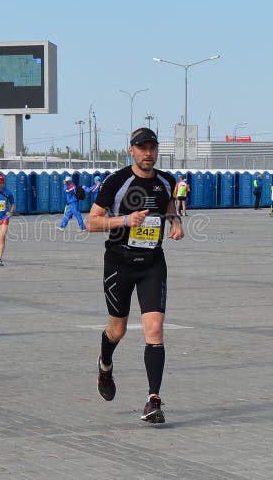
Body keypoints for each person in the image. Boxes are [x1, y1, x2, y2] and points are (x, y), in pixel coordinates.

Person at [85, 127, 184, 424]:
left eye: (152, 148)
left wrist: (175, 221)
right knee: (118, 330)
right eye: (142, 148)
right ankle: (105, 365)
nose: (148, 153)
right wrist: (126, 220)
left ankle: (153, 400)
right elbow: (91, 223)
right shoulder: (117, 182)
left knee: (154, 330)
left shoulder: (166, 181)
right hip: (119, 264)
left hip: (152, 263)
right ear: (132, 150)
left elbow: (168, 206)